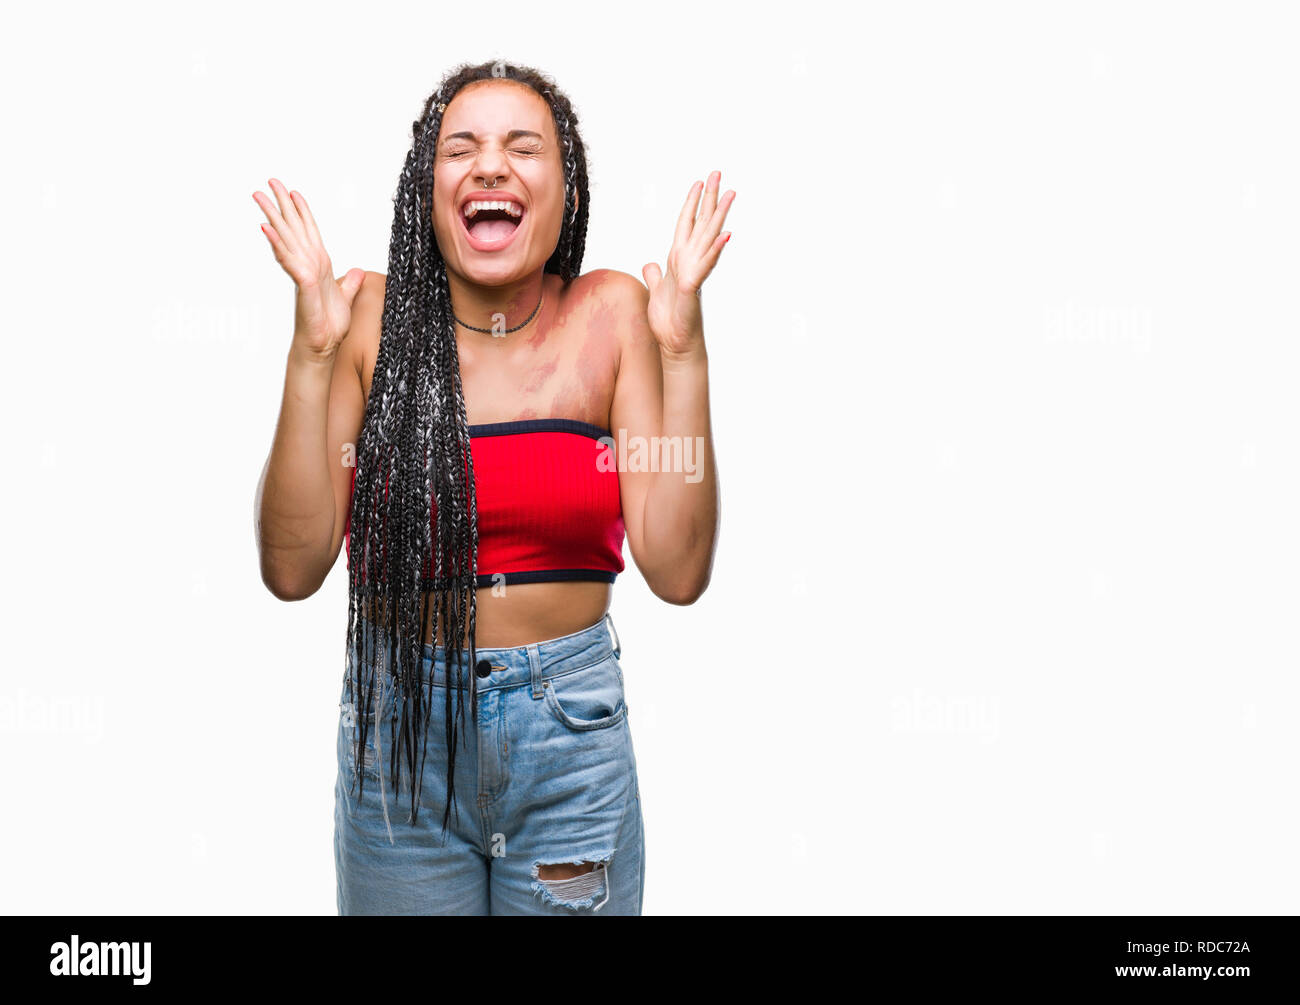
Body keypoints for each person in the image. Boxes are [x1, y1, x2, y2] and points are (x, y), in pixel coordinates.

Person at [252, 60, 732, 915]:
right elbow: (291, 570)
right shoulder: (367, 315)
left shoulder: (613, 313)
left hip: (568, 739)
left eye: (523, 147)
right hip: (399, 744)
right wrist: (312, 355)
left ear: (567, 192)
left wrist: (685, 355)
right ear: (425, 189)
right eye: (460, 148)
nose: (489, 166)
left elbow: (678, 567)